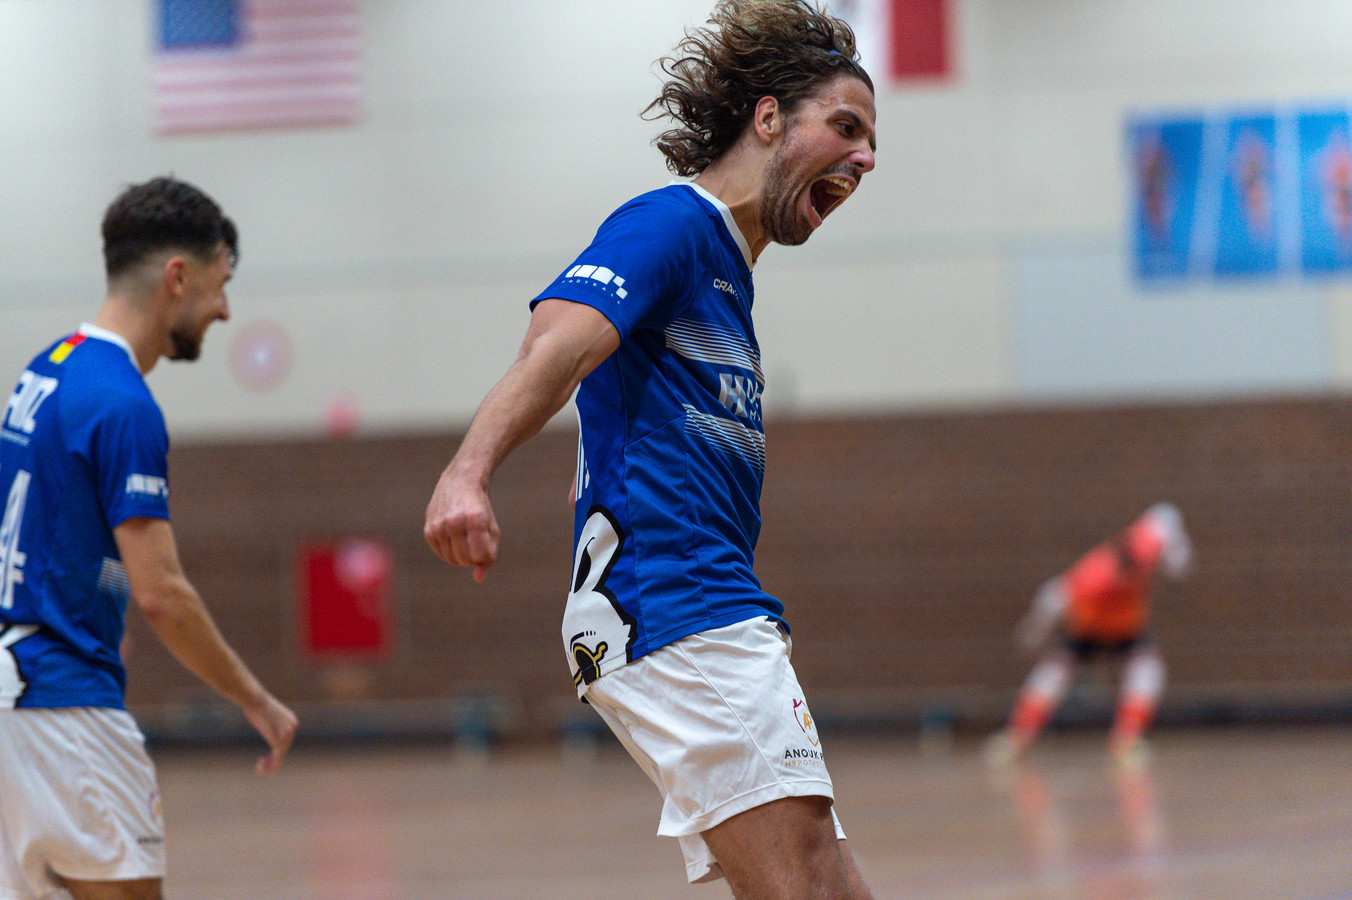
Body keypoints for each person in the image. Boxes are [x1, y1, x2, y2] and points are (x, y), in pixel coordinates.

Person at [424, 1, 876, 894]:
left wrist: (597, 470)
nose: (865, 158)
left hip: (699, 607)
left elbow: (618, 393)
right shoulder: (672, 222)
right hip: (679, 607)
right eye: (847, 126)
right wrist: (465, 474)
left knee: (819, 877)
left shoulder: (727, 275)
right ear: (769, 116)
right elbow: (557, 345)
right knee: (803, 883)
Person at [0, 177, 299, 900]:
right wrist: (255, 698)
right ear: (178, 276)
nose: (225, 309)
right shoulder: (123, 402)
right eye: (221, 285)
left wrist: (92, 599)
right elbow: (163, 593)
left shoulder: (46, 369)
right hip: (66, 708)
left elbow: (55, 530)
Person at [985, 503, 1192, 768]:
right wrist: (1035, 629)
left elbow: (1179, 563)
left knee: (1148, 671)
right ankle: (1017, 736)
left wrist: (1173, 536)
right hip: (1087, 628)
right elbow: (1054, 596)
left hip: (1126, 629)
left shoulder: (1146, 545)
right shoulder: (1098, 572)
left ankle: (1126, 738)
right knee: (1053, 674)